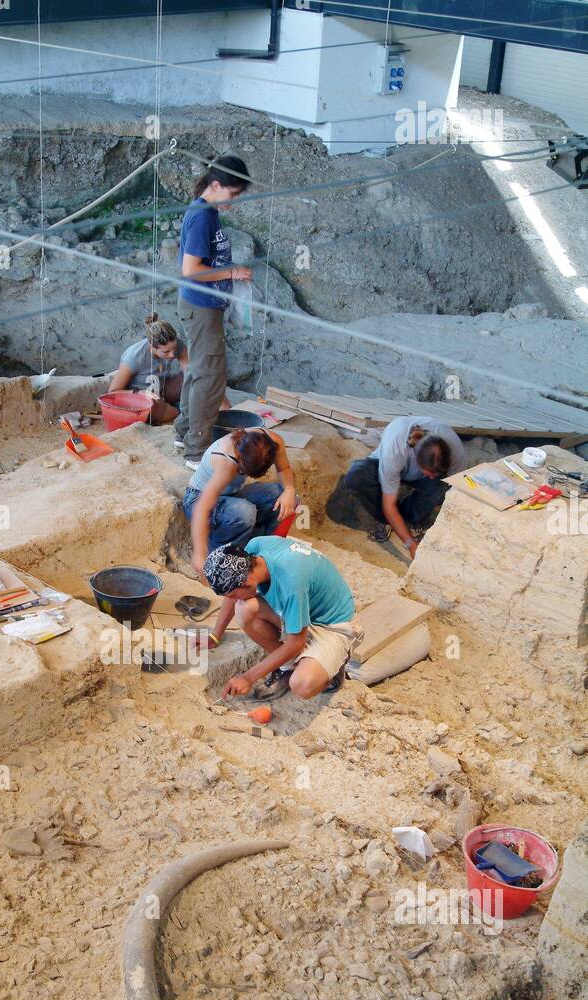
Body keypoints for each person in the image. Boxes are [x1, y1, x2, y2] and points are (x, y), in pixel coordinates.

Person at [199, 537, 361, 701]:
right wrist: (215, 635)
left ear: (246, 581)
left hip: (333, 624)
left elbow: (296, 643)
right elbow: (232, 590)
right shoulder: (253, 551)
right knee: (244, 609)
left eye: (233, 594)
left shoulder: (291, 583)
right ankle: (287, 667)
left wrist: (248, 678)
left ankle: (333, 669)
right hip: (304, 609)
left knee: (302, 684)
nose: (233, 598)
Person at [174, 154, 252, 463]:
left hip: (203, 306)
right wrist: (232, 273)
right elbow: (190, 269)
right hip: (201, 306)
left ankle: (183, 432)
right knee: (211, 377)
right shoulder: (202, 216)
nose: (234, 201)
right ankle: (197, 451)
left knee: (199, 370)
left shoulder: (207, 212)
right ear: (216, 185)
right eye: (232, 194)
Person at [342, 416, 464, 557]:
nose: (432, 476)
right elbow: (389, 505)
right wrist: (410, 544)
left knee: (441, 488)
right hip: (388, 466)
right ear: (417, 462)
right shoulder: (394, 451)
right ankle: (387, 521)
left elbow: (458, 489)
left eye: (436, 473)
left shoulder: (456, 452)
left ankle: (408, 518)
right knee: (357, 477)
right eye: (429, 473)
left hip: (416, 473)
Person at [184, 425, 296, 574]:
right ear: (240, 457)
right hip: (197, 498)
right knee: (244, 513)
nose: (243, 474)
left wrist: (289, 490)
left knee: (282, 496)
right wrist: (200, 553)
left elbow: (284, 469)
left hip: (231, 495)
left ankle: (259, 552)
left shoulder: (274, 443)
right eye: (242, 471)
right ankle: (219, 559)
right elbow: (202, 508)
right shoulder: (226, 461)